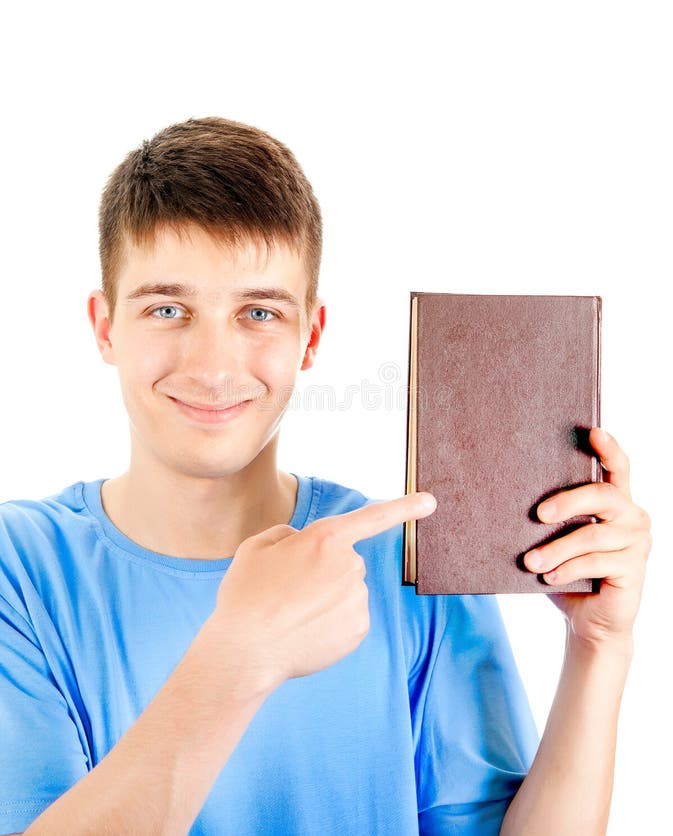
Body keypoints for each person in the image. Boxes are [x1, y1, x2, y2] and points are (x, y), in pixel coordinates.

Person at [0, 118, 651, 836]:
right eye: (166, 308)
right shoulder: (21, 570)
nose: (213, 366)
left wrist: (598, 649)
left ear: (309, 336)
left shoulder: (404, 560)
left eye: (258, 312)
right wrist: (239, 656)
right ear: (103, 327)